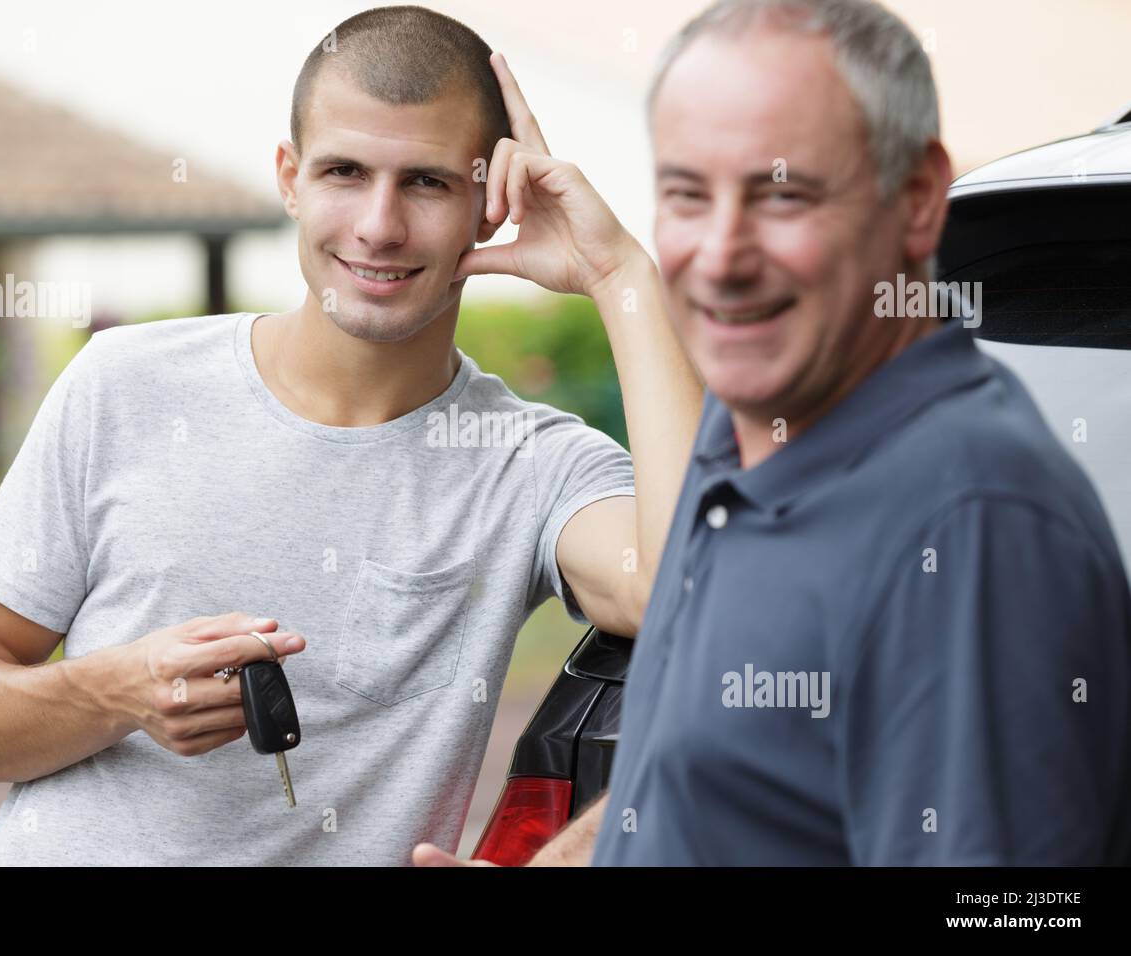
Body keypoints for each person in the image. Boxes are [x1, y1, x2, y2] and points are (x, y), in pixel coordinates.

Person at [0, 5, 703, 865]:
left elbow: (696, 594)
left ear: (489, 202)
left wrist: (621, 275)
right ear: (290, 178)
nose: (378, 225)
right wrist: (118, 693)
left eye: (428, 182)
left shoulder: (531, 465)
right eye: (345, 172)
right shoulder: (123, 383)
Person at [415, 0, 1131, 867]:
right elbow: (720, 781)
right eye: (687, 194)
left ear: (915, 200)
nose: (721, 254)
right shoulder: (751, 432)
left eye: (781, 193)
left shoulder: (972, 525)